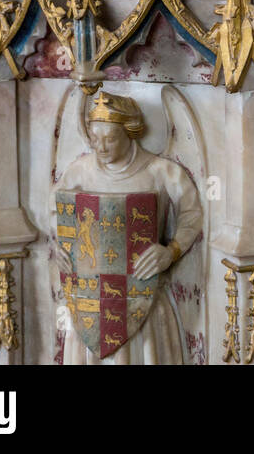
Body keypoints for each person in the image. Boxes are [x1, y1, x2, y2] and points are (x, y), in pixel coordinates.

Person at [54, 91, 202, 364]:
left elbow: (192, 215)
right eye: (95, 139)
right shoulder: (79, 171)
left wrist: (172, 250)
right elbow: (58, 214)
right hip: (88, 304)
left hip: (141, 300)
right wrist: (61, 248)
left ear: (130, 133)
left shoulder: (161, 172)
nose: (101, 147)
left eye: (110, 139)